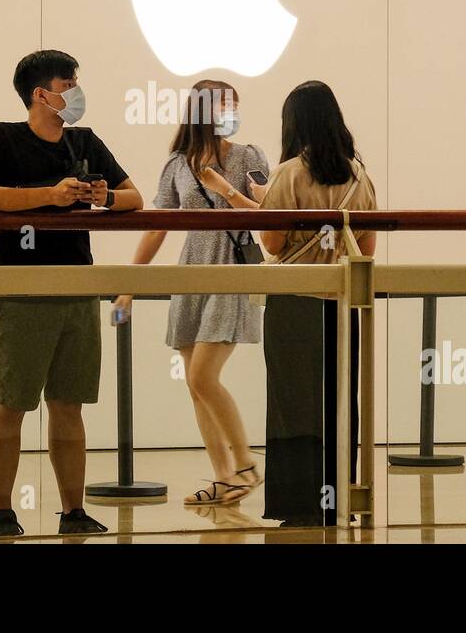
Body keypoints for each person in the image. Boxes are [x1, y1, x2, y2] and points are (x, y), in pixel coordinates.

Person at [0, 50, 143, 538]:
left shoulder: (85, 140)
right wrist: (51, 194)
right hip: (19, 287)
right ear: (40, 93)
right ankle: (3, 510)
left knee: (69, 403)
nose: (75, 91)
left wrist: (99, 197)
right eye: (68, 83)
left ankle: (73, 510)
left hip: (77, 284)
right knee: (13, 401)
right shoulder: (3, 137)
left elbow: (135, 198)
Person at [112, 80, 269, 507]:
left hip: (233, 270)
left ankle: (245, 465)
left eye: (234, 106)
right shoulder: (177, 165)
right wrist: (129, 285)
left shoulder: (248, 157)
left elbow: (270, 215)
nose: (231, 113)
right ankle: (224, 477)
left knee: (203, 376)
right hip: (190, 274)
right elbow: (158, 226)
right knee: (195, 384)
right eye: (224, 105)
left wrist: (226, 190)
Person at [257, 81, 377, 527]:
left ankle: (298, 503)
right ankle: (339, 494)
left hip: (292, 301)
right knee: (340, 397)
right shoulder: (360, 177)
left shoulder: (288, 174)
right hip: (342, 302)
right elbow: (366, 249)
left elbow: (271, 243)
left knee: (292, 403)